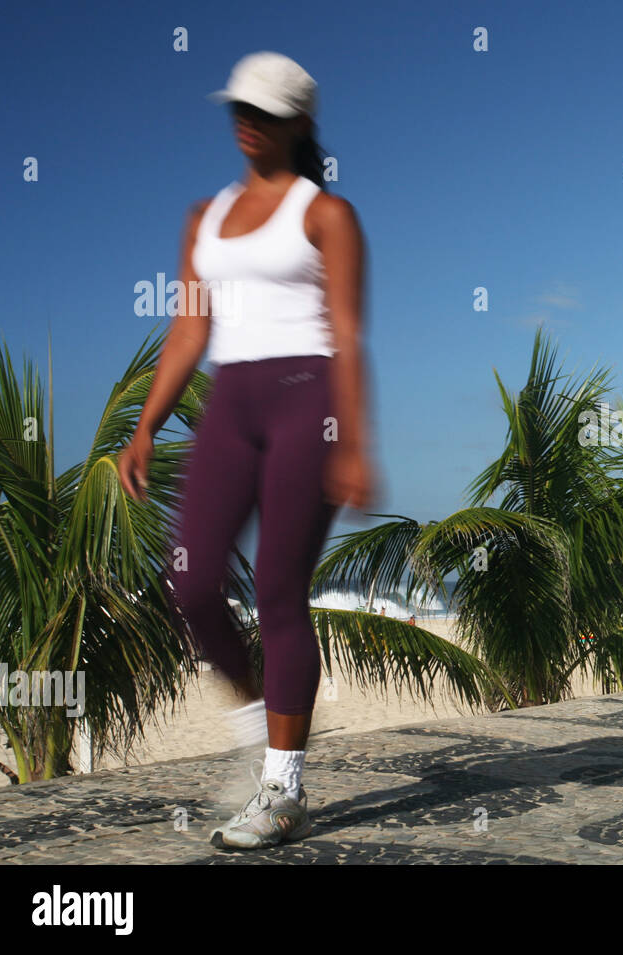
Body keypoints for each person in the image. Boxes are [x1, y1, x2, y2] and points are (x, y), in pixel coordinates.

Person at [117, 52, 374, 850]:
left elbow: (348, 332)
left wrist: (354, 440)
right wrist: (148, 423)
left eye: (264, 110)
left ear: (298, 122)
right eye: (238, 105)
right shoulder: (206, 216)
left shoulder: (326, 215)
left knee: (277, 587)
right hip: (231, 404)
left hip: (309, 400)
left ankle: (283, 788)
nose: (246, 120)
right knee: (190, 581)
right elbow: (191, 325)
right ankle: (266, 718)